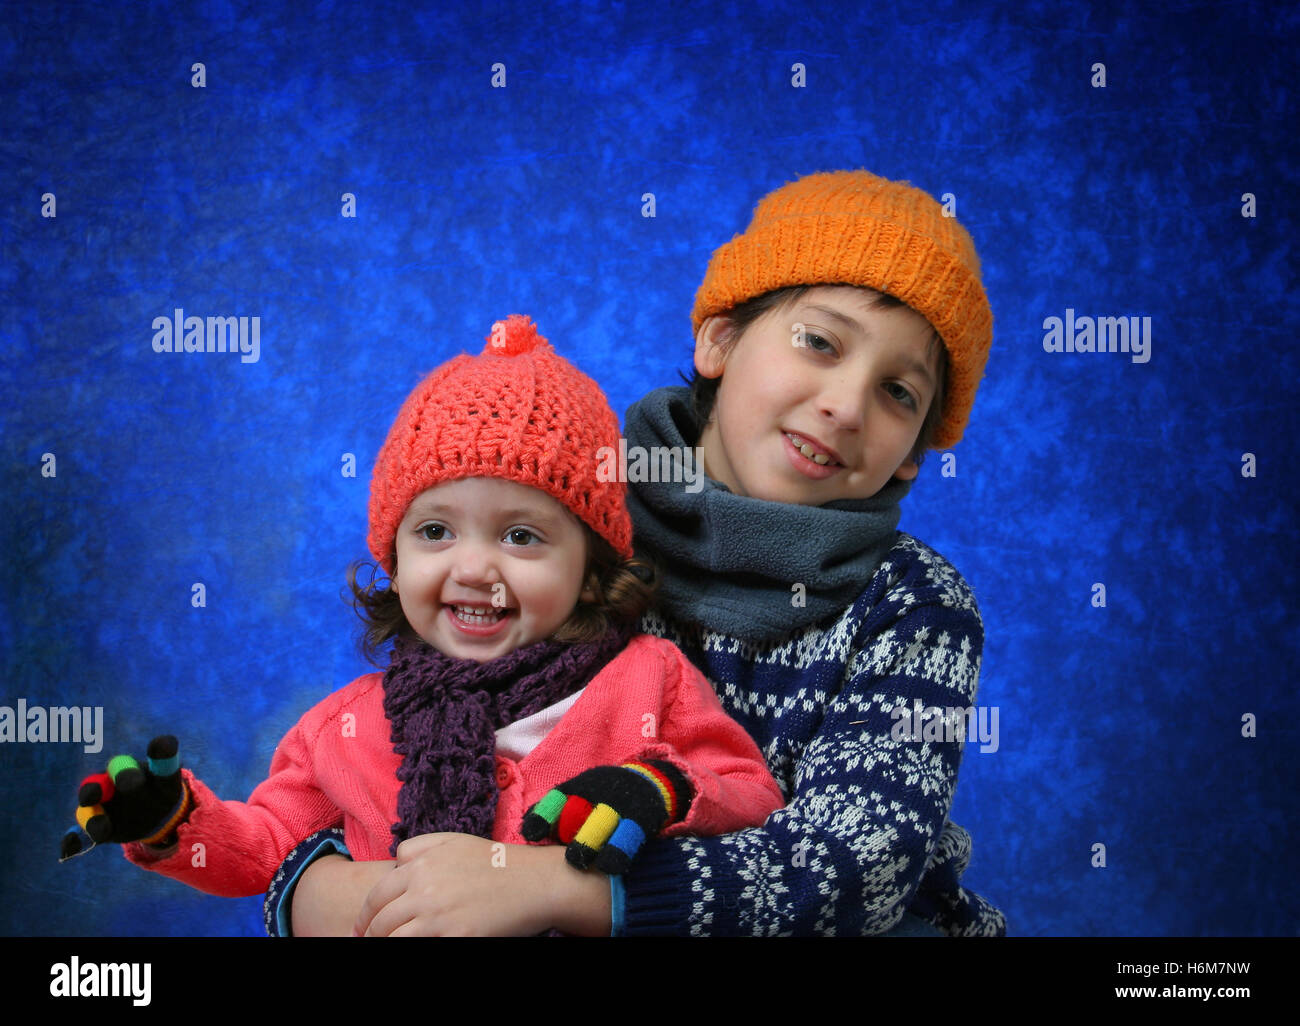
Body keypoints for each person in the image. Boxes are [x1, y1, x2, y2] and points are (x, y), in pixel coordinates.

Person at [277, 169, 1007, 937]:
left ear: (911, 458)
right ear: (719, 338)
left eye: (899, 393)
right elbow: (414, 754)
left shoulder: (913, 604)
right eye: (819, 342)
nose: (846, 404)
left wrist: (557, 889)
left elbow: (864, 865)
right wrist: (309, 883)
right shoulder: (567, 523)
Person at [64, 315, 785, 935]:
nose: (473, 567)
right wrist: (177, 825)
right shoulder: (342, 727)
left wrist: (660, 790)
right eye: (436, 531)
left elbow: (751, 795)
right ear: (395, 557)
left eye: (523, 537)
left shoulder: (647, 677)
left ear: (592, 570)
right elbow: (265, 848)